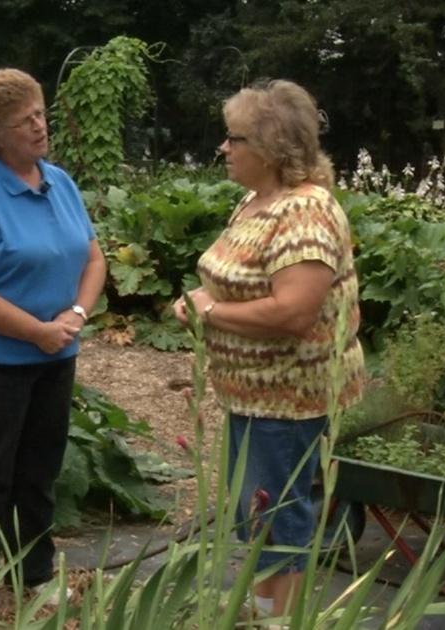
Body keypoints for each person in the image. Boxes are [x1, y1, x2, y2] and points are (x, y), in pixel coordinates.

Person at [173, 79, 365, 617]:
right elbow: (244, 280)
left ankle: (282, 621)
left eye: (234, 139)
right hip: (251, 394)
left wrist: (209, 313)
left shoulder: (305, 213)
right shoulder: (257, 202)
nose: (224, 148)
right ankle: (262, 609)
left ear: (272, 148)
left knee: (279, 517)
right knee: (256, 513)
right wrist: (201, 302)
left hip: (288, 397)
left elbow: (293, 312)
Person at [0, 68, 106, 617]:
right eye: (24, 121)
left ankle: (35, 572)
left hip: (56, 353)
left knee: (40, 469)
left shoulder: (60, 182)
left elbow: (93, 255)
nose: (39, 126)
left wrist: (76, 314)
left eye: (39, 112)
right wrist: (37, 330)